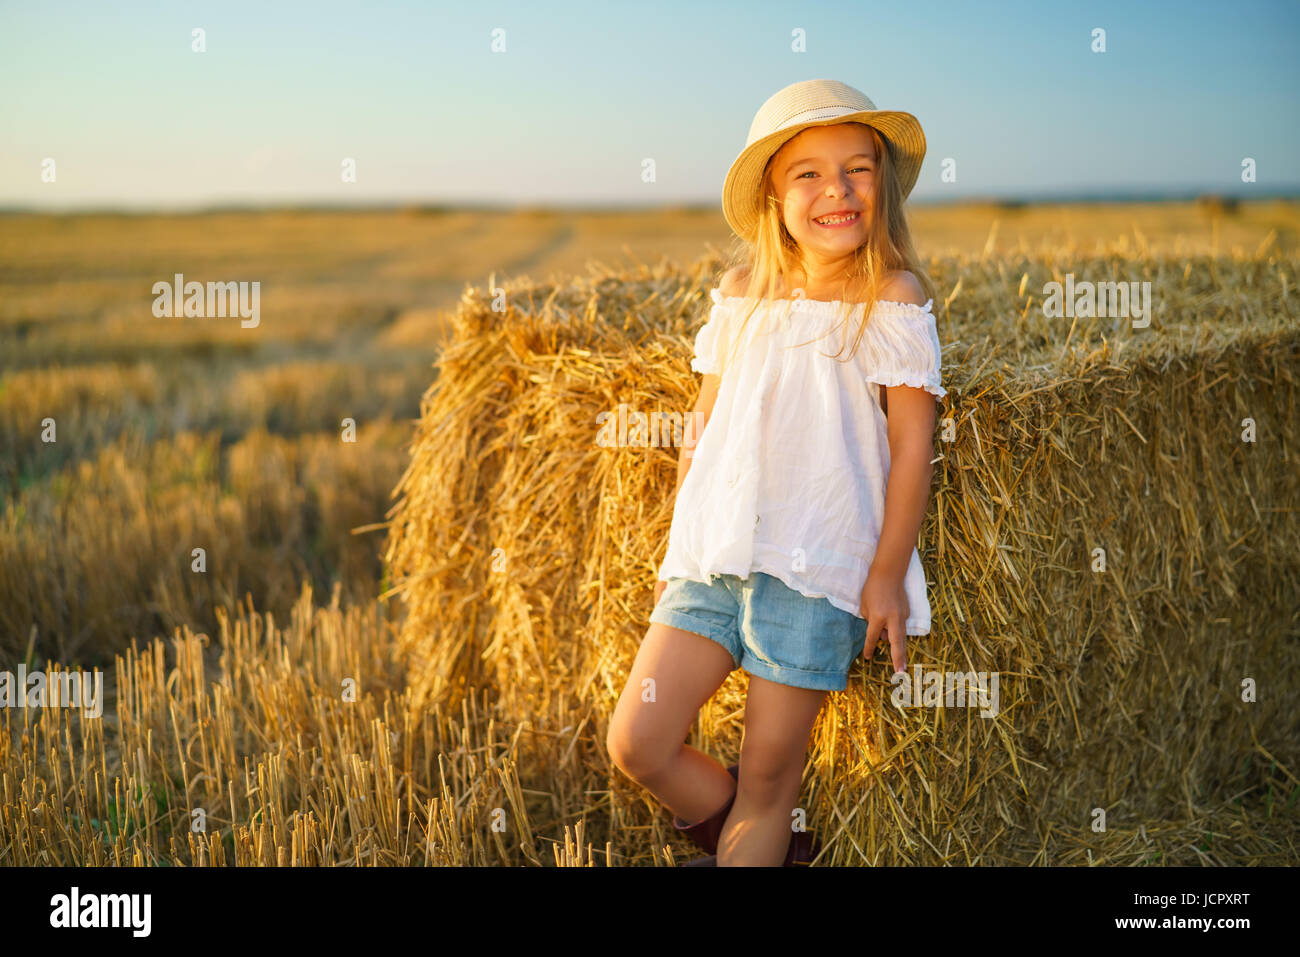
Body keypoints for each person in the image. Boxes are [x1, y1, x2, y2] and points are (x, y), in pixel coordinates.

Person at [606, 79, 946, 866]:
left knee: (766, 779)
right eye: (809, 173)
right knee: (637, 741)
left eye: (858, 170)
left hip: (815, 570)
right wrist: (677, 552)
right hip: (716, 559)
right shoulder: (741, 295)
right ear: (773, 194)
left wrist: (886, 576)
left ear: (883, 185)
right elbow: (702, 433)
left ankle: (755, 843)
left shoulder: (890, 298)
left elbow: (912, 450)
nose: (838, 191)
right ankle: (770, 852)